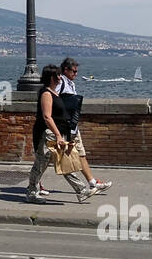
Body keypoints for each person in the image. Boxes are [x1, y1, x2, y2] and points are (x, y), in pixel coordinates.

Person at [27, 64, 84, 203]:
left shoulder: (55, 93)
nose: (60, 77)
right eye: (58, 75)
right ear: (52, 78)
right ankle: (31, 193)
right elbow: (47, 117)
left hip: (56, 134)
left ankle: (81, 190)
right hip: (47, 134)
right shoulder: (46, 93)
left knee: (64, 160)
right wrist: (58, 134)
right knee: (40, 165)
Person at [55, 57, 109, 195]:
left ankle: (92, 182)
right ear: (65, 70)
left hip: (72, 125)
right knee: (48, 158)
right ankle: (35, 184)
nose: (76, 74)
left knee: (81, 153)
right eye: (74, 71)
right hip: (62, 126)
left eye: (77, 71)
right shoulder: (60, 82)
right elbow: (52, 100)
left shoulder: (70, 84)